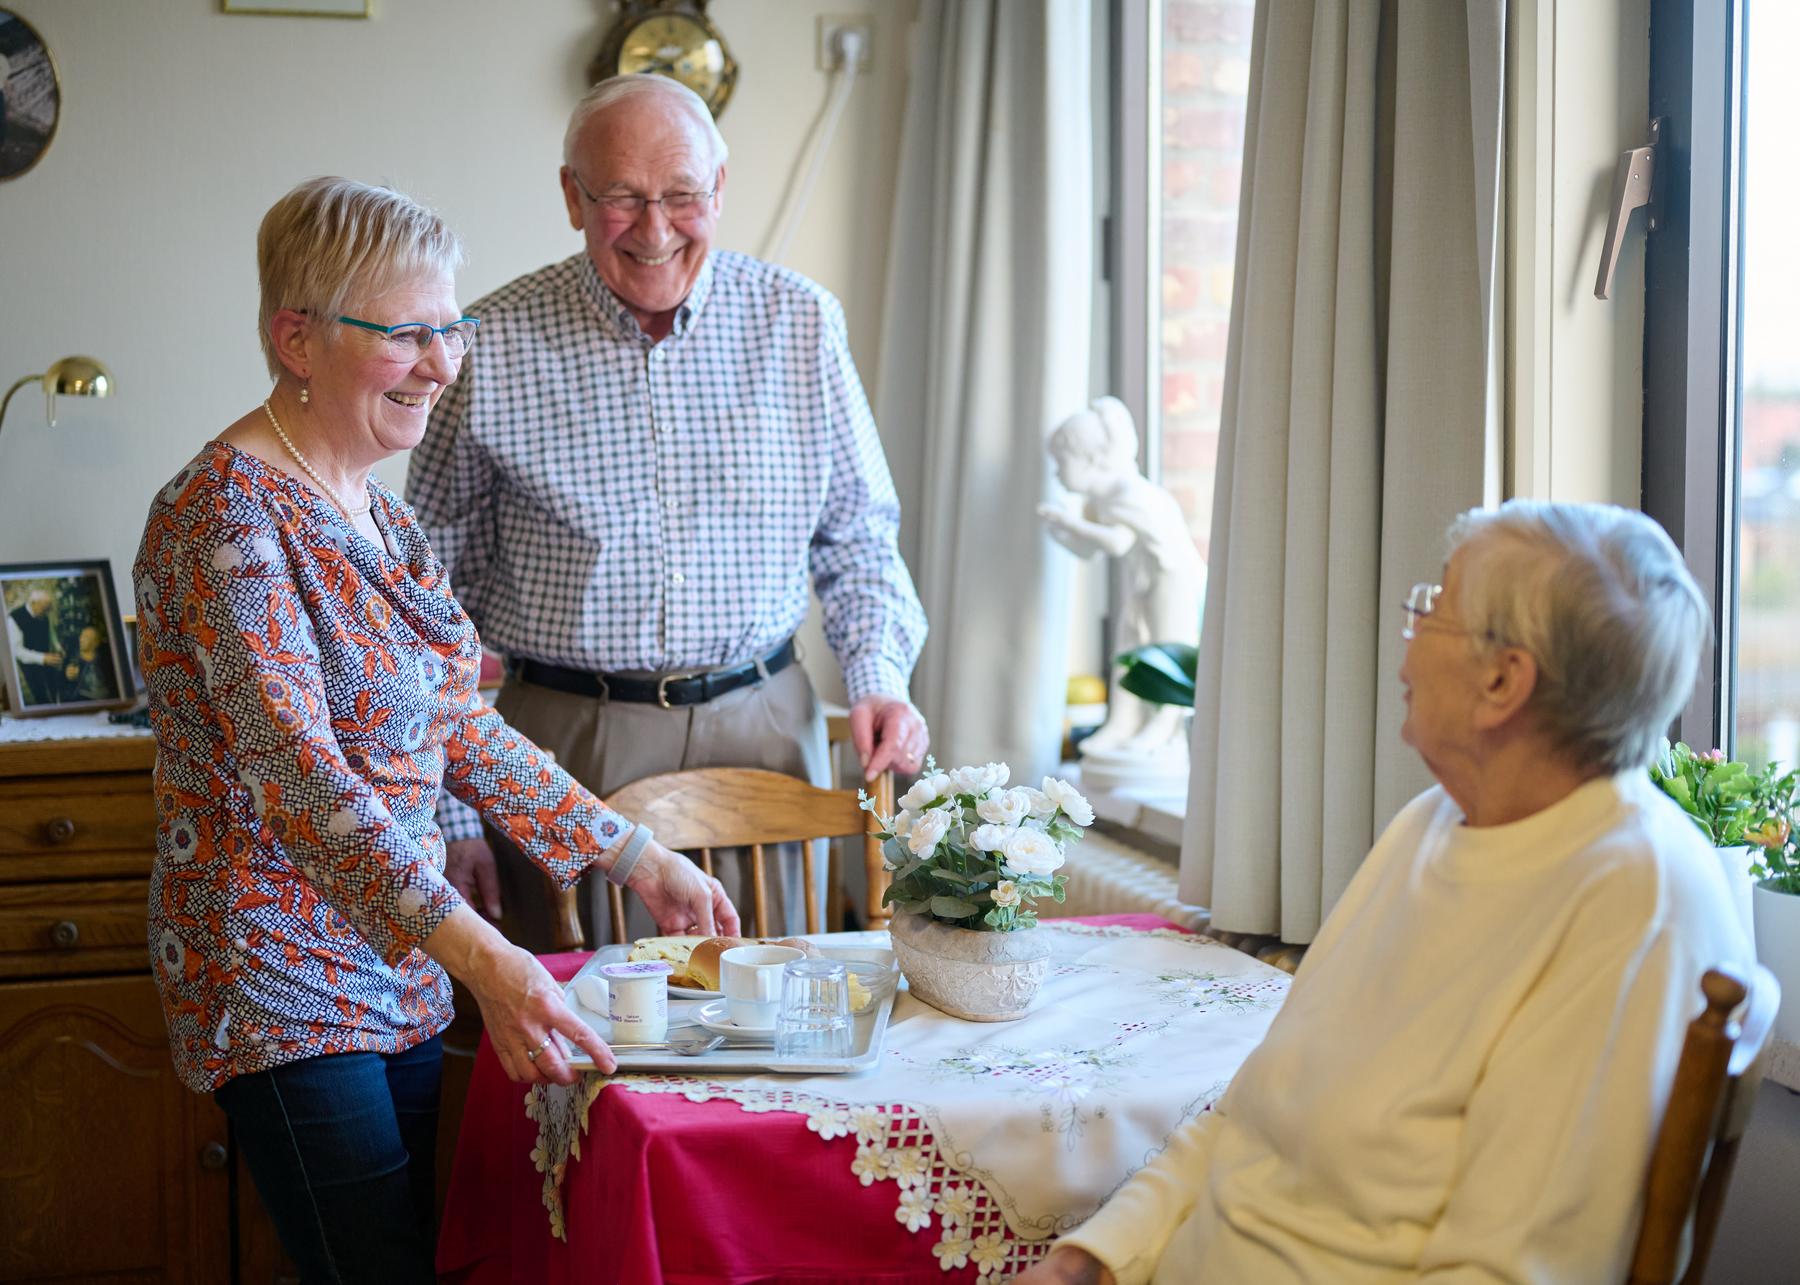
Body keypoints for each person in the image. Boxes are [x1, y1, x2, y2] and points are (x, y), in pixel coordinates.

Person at [134, 176, 739, 1284]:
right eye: (407, 334)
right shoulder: (224, 517)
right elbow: (305, 783)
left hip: (402, 959)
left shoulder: (383, 512)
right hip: (282, 977)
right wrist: (494, 959)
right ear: (297, 338)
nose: (443, 363)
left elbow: (461, 719)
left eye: (448, 328)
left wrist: (636, 854)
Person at [1018, 501, 1750, 1284]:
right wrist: (1091, 1257)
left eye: (1435, 605)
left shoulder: (1631, 904)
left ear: (1503, 680)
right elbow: (1250, 1113)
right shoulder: (1432, 822)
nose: (1408, 633)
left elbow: (1509, 1270)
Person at [408, 74, 930, 947]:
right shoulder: (486, 344)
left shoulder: (799, 323)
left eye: (683, 195)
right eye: (621, 197)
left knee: (781, 1020)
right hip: (566, 744)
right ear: (573, 196)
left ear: (720, 190)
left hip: (764, 727)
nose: (655, 230)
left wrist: (877, 674)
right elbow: (423, 600)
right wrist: (452, 814)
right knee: (596, 1048)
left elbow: (859, 535)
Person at [1038, 395, 1205, 758]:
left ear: (1092, 460)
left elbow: (1115, 543)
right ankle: (1122, 723)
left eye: (1062, 463)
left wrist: (1069, 523)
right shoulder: (1102, 501)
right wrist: (1063, 531)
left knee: (1164, 653)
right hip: (1146, 583)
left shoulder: (1131, 494)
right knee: (1128, 649)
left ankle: (1165, 727)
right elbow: (1090, 549)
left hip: (1170, 581)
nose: (1057, 473)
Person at [6, 587, 63, 705]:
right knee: (40, 696)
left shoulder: (43, 613)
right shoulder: (14, 619)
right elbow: (17, 651)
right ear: (33, 604)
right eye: (45, 609)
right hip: (29, 665)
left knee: (54, 688)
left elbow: (50, 633)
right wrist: (43, 658)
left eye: (48, 608)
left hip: (47, 660)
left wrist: (58, 647)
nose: (47, 612)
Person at [60, 623, 119, 702]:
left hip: (103, 701)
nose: (81, 639)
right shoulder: (73, 659)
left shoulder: (105, 660)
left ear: (95, 643)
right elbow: (62, 684)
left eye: (86, 637)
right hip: (79, 700)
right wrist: (67, 675)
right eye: (81, 636)